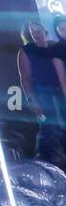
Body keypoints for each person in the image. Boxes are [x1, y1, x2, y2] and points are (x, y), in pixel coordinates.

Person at [18, 21, 66, 166]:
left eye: (38, 29)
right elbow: (25, 77)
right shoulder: (26, 50)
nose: (36, 33)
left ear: (44, 30)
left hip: (60, 91)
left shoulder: (54, 46)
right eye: (33, 31)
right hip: (43, 93)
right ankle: (47, 163)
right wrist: (32, 100)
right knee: (50, 128)